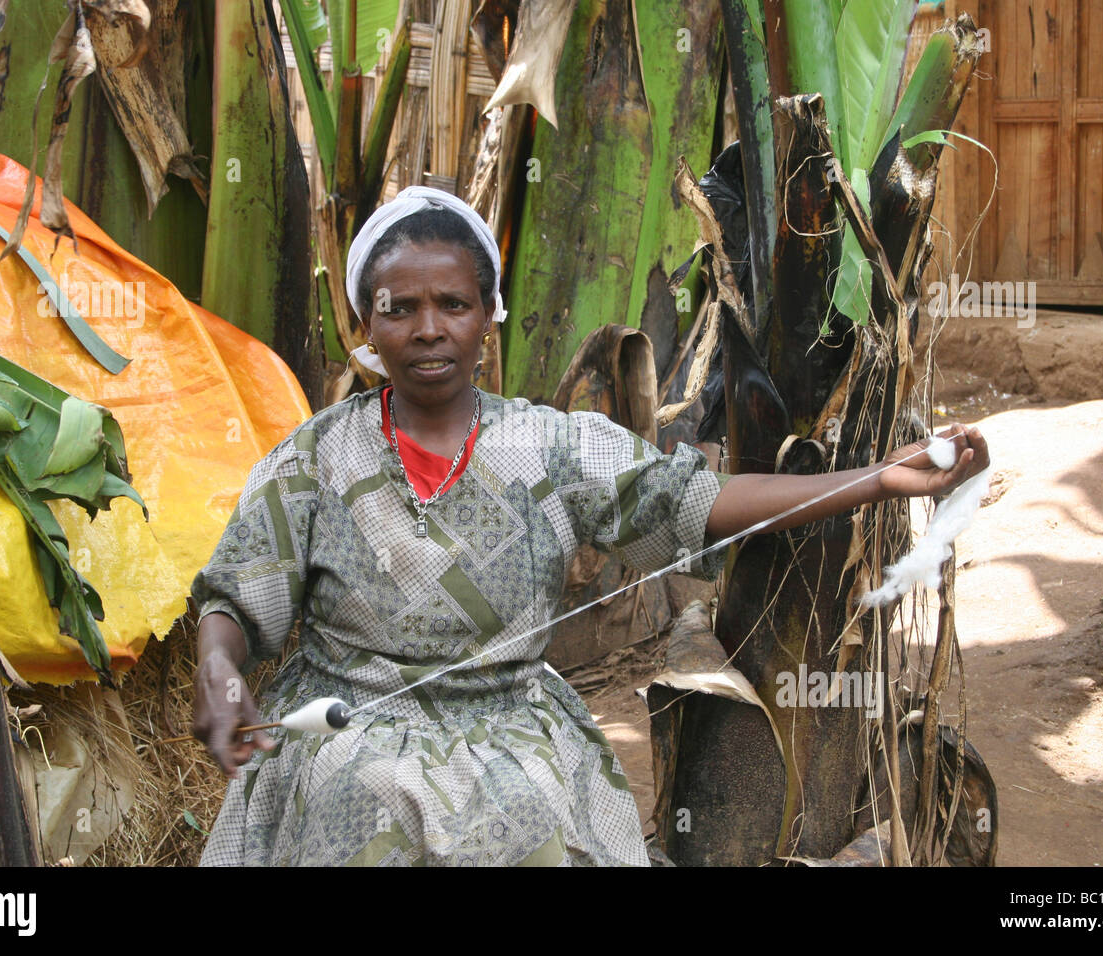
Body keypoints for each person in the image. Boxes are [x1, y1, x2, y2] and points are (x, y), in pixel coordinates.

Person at [190, 186, 989, 866]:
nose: (428, 328)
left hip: (510, 724)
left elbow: (694, 502)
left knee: (531, 806)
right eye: (400, 308)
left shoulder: (550, 445)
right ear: (368, 323)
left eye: (453, 304)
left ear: (487, 316)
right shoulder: (315, 458)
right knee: (360, 798)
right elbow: (233, 598)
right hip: (345, 729)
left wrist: (877, 478)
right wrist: (219, 672)